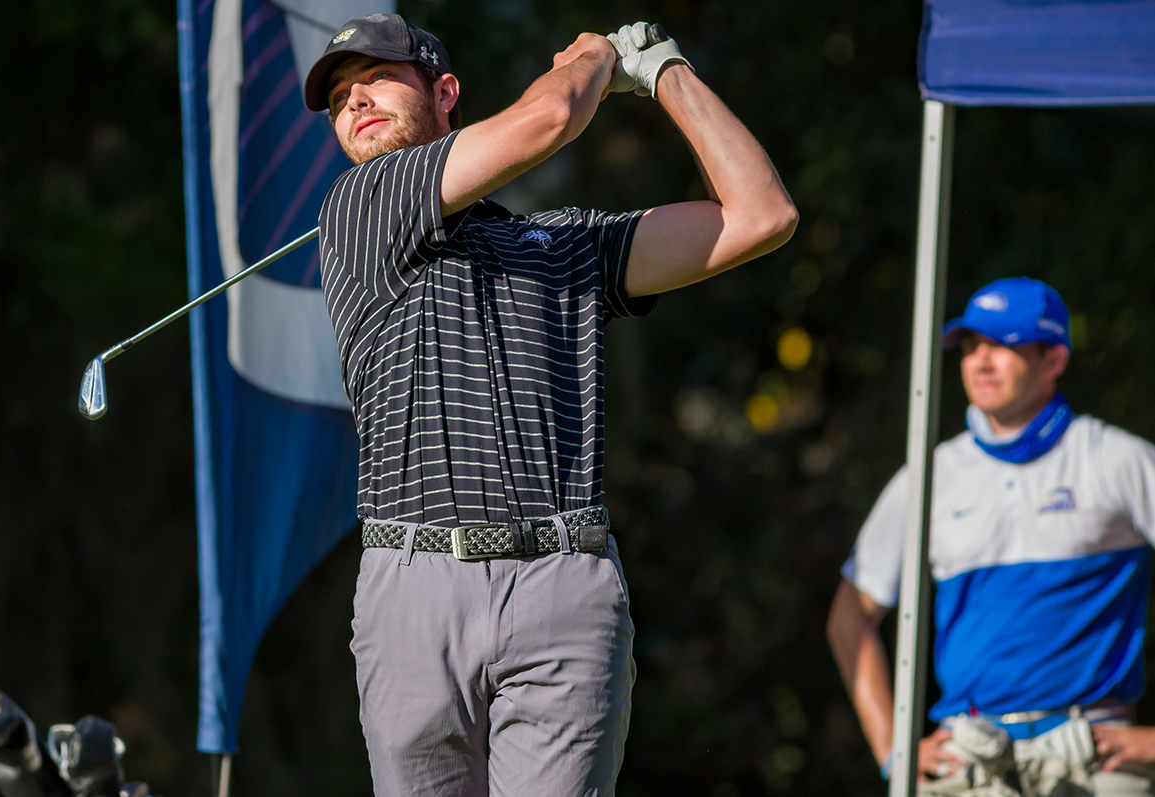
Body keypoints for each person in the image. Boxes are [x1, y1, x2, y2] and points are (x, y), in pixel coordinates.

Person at [303, 14, 796, 796]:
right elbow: (550, 117)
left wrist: (667, 69)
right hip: (414, 584)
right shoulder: (359, 205)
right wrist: (598, 58)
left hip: (562, 583)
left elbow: (760, 216)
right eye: (338, 99)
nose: (354, 102)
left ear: (445, 92)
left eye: (376, 80)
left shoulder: (566, 244)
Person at [828, 278, 1155, 795]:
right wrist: (894, 749)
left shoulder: (1115, 459)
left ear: (1053, 361)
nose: (981, 362)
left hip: (1094, 759)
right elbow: (851, 617)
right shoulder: (929, 475)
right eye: (972, 346)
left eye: (1003, 345)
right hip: (969, 761)